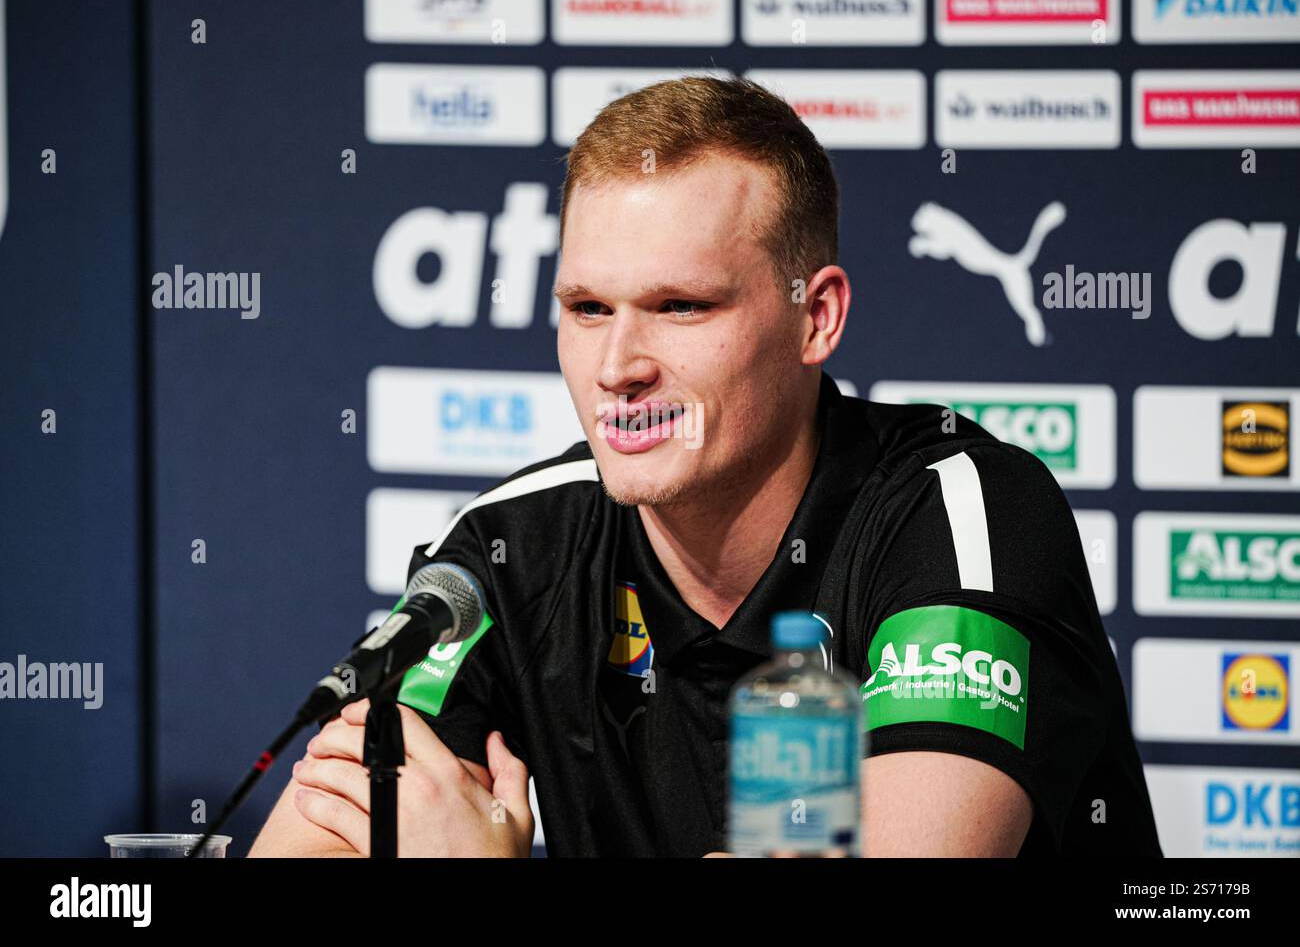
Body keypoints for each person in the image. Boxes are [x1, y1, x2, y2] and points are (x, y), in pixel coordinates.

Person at [249, 75, 1162, 858]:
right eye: (587, 307)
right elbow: (320, 832)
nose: (618, 366)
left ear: (817, 318)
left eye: (681, 306)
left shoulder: (964, 511)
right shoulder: (508, 549)